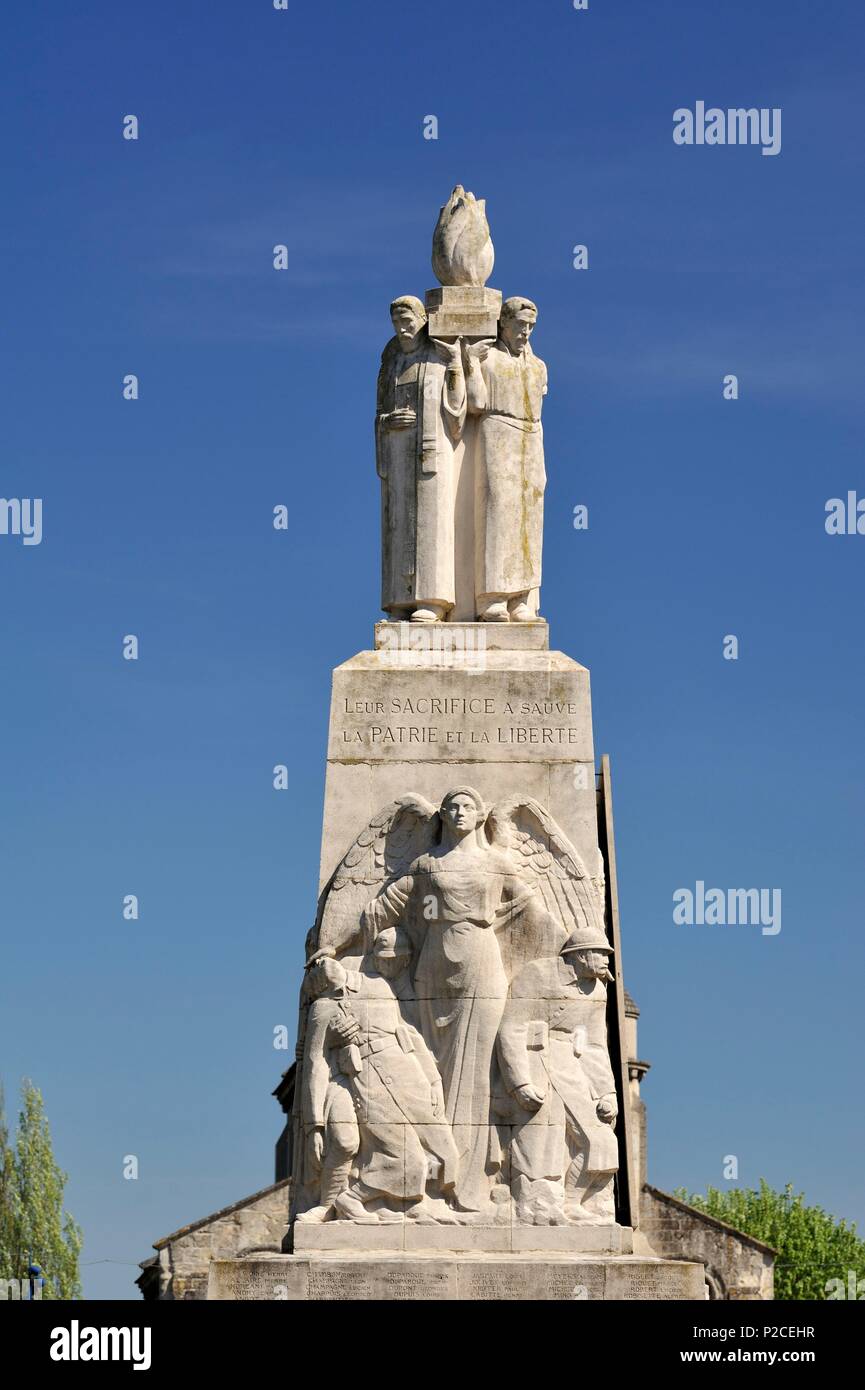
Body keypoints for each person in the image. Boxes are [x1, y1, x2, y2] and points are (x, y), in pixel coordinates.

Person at [363, 787, 560, 1212]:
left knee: (476, 1070)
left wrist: (572, 957)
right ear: (442, 814)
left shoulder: (496, 862)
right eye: (451, 806)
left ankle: (471, 1182)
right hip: (433, 963)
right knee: (433, 1071)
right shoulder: (425, 864)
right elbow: (381, 910)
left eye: (466, 806)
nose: (457, 812)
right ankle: (431, 1176)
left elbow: (534, 912)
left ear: (480, 814)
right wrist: (329, 944)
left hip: (482, 960)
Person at [299, 927, 460, 1223]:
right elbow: (315, 1063)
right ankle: (350, 1199)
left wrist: (434, 1079)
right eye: (317, 967)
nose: (325, 968)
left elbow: (408, 1035)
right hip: (370, 1079)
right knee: (405, 1153)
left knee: (443, 1144)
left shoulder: (379, 987)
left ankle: (425, 1201)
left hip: (407, 1072)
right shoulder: (323, 1008)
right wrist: (314, 1125)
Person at [496, 924, 619, 1224]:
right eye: (600, 953)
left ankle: (574, 1202)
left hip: (570, 1064)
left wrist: (607, 1093)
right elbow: (511, 1028)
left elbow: (593, 1045)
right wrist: (519, 1082)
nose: (606, 960)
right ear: (579, 955)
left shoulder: (597, 990)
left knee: (602, 1139)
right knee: (540, 1139)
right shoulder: (538, 974)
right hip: (534, 1059)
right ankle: (536, 1207)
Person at [375, 295, 466, 622]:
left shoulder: (437, 359)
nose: (402, 329)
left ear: (421, 322)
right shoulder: (392, 362)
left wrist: (455, 363)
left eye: (407, 321)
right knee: (397, 523)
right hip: (398, 454)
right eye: (397, 323)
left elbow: (457, 411)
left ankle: (432, 599)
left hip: (433, 454)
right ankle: (399, 601)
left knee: (431, 524)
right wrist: (387, 422)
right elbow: (379, 412)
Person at [464, 297, 547, 622]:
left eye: (530, 327)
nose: (525, 332)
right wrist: (470, 364)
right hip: (498, 430)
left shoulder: (539, 366)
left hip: (531, 437)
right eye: (519, 325)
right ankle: (493, 596)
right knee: (498, 509)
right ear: (504, 323)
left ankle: (521, 598)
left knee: (528, 515)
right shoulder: (489, 360)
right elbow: (476, 403)